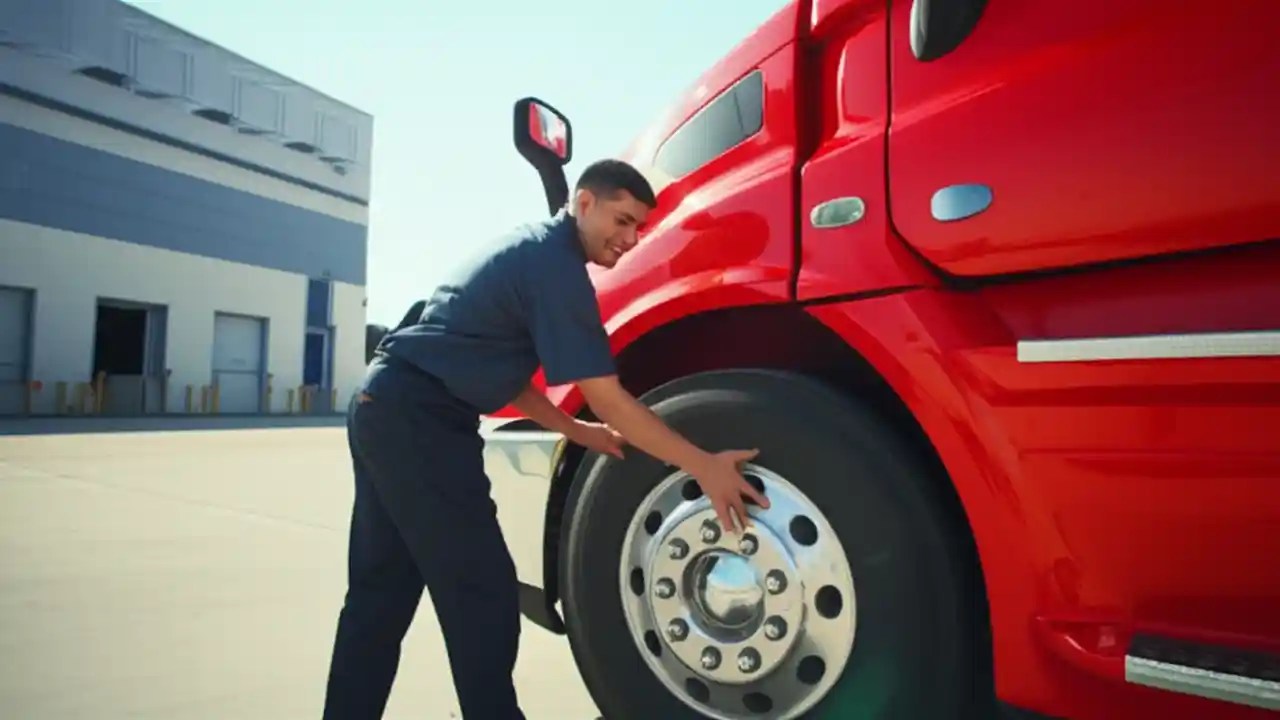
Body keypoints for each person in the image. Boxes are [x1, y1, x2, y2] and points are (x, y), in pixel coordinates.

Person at [321, 158, 770, 719]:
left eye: (638, 228)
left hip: (383, 403)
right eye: (622, 220)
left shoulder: (532, 252)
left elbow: (502, 375)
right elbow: (607, 395)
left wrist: (575, 429)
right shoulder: (555, 268)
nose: (629, 240)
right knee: (483, 596)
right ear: (584, 202)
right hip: (420, 420)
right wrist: (701, 464)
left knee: (378, 598)